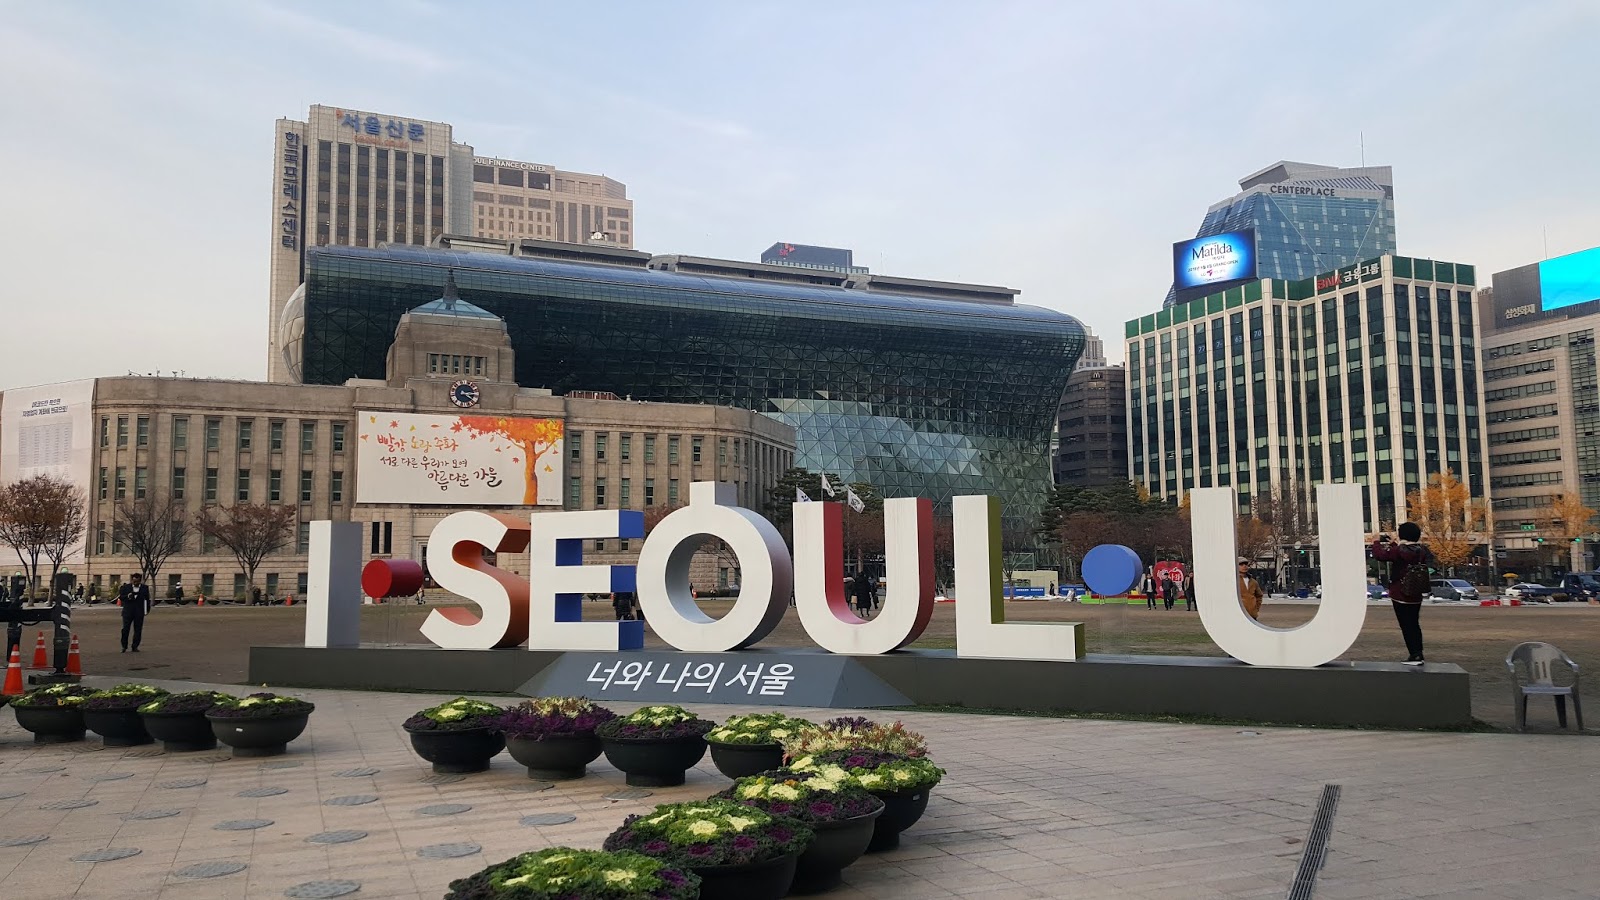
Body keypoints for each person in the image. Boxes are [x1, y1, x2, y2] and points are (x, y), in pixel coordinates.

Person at [1372, 522, 1431, 666]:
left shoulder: (1400, 551)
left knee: (1406, 625)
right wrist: (1394, 544)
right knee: (1414, 624)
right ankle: (1418, 653)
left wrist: (1375, 541)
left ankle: (1414, 655)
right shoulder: (1421, 550)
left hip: (1400, 593)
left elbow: (1381, 555)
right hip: (1416, 593)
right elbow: (1401, 556)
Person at [119, 572, 152, 653]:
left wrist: (147, 610)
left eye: (137, 581)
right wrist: (127, 596)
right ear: (132, 580)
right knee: (125, 629)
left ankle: (135, 646)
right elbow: (121, 597)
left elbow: (147, 600)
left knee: (138, 630)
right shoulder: (126, 587)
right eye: (134, 581)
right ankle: (124, 646)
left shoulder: (145, 588)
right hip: (127, 612)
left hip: (139, 612)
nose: (135, 583)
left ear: (140, 581)